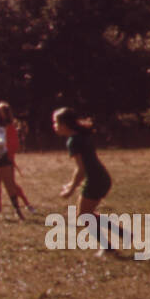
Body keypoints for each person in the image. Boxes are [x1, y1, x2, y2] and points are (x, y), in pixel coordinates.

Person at [54, 107, 126, 255]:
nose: (54, 126)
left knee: (84, 216)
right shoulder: (81, 136)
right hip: (101, 177)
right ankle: (123, 235)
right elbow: (86, 166)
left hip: (95, 180)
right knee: (87, 214)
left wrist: (70, 189)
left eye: (56, 122)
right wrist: (72, 183)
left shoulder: (73, 141)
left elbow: (81, 170)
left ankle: (108, 248)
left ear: (65, 125)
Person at [0, 102, 37, 215]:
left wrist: (7, 154)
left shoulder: (10, 127)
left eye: (1, 111)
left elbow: (14, 144)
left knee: (11, 184)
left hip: (7, 159)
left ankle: (26, 203)